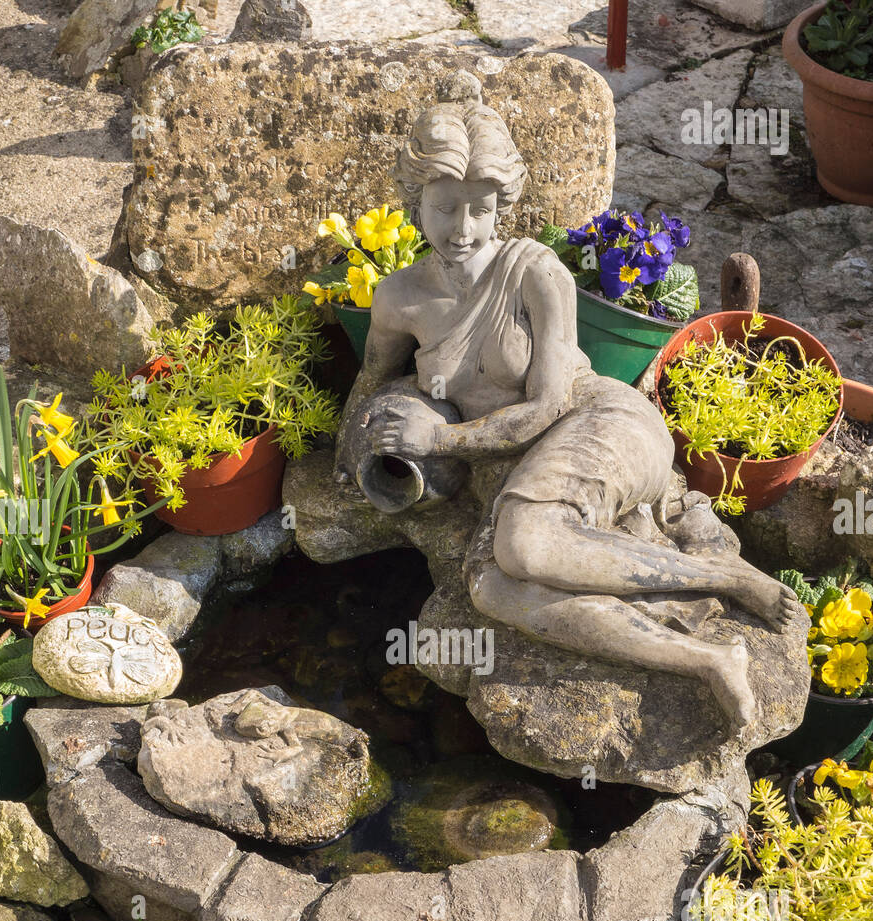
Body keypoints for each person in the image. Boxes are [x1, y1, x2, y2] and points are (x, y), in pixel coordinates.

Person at [335, 73, 800, 728]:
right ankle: (704, 660)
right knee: (496, 588)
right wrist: (356, 441)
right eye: (445, 207)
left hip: (598, 422)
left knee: (524, 546)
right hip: (518, 472)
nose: (463, 228)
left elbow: (548, 406)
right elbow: (374, 379)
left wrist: (439, 441)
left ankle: (723, 575)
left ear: (504, 204)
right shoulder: (400, 298)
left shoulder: (534, 272)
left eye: (482, 207)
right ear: (415, 200)